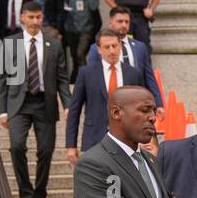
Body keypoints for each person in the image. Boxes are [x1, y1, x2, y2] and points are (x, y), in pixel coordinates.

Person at [0, 1, 70, 198]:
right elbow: (3, 79)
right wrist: (3, 111)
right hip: (18, 103)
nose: (35, 22)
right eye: (31, 17)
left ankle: (40, 195)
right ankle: (25, 195)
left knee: (46, 150)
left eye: (38, 17)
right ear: (22, 18)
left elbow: (62, 79)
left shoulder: (53, 45)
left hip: (44, 103)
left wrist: (68, 105)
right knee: (17, 146)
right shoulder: (9, 43)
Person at [66, 29, 161, 161]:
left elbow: (145, 108)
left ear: (120, 46)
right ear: (99, 49)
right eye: (107, 47)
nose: (111, 51)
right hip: (94, 137)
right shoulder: (86, 73)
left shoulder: (133, 73)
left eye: (114, 46)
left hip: (127, 139)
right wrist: (71, 145)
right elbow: (74, 110)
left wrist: (151, 138)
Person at [62, 0, 100, 73]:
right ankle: (76, 79)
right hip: (71, 29)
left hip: (86, 29)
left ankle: (86, 78)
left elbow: (93, 6)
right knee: (75, 58)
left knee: (80, 54)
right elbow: (63, 3)